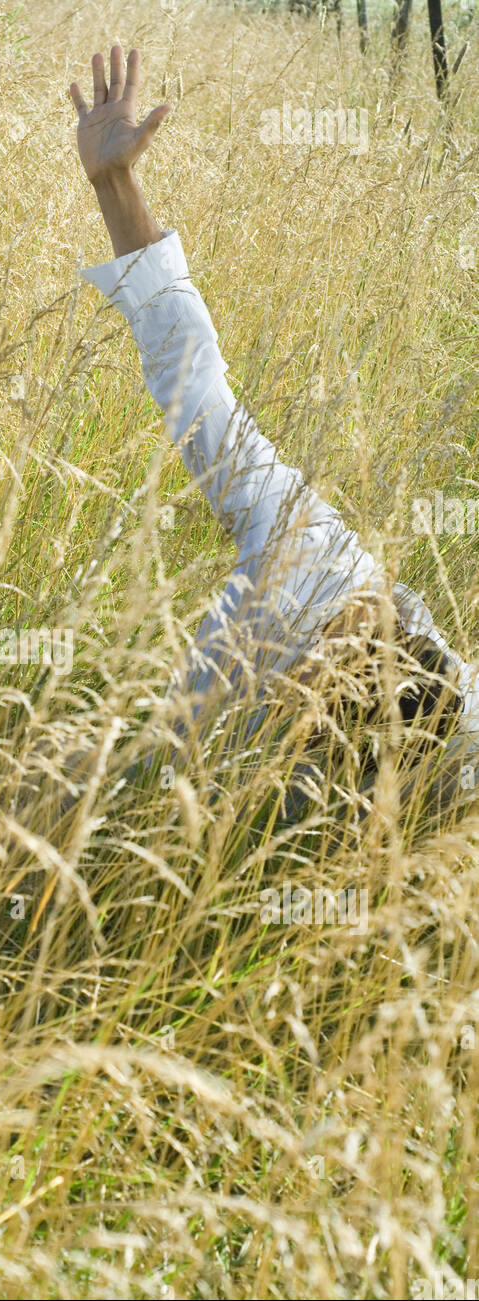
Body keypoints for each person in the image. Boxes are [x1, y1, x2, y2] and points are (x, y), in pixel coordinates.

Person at [69, 45, 479, 812]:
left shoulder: (432, 740)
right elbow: (194, 385)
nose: (316, 666)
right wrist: (115, 184)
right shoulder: (301, 553)